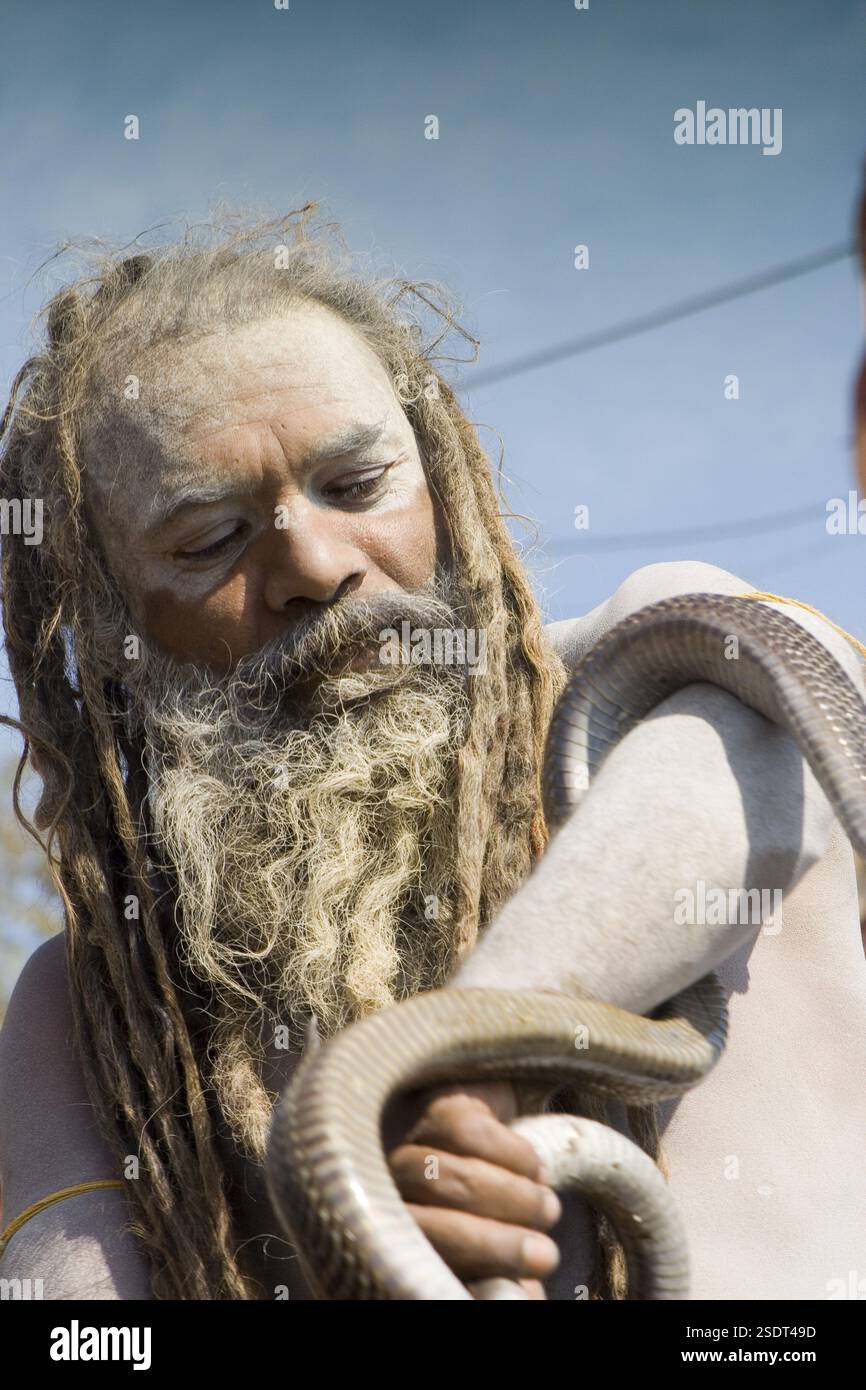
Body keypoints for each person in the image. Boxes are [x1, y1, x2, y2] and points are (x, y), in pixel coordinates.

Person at [1, 207, 865, 1301]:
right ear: (110, 626)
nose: (313, 565)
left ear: (445, 484)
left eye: (357, 486)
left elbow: (785, 703)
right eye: (209, 540)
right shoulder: (85, 1009)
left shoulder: (657, 669)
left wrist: (459, 1062)